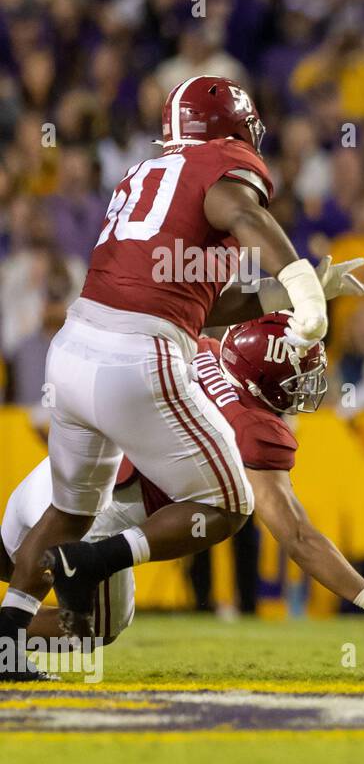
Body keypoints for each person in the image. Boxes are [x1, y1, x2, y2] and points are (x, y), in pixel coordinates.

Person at [0, 76, 331, 680]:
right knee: (228, 502)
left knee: (71, 510)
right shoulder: (219, 172)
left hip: (75, 348)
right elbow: (243, 212)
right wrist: (304, 284)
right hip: (138, 354)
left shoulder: (146, 175)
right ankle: (90, 561)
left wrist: (280, 290)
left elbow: (199, 299)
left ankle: (5, 638)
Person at [0, 313, 364, 651]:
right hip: (96, 518)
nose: (306, 390)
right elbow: (298, 536)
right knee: (93, 630)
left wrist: (305, 298)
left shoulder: (205, 348)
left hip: (54, 485)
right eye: (297, 380)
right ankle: (71, 581)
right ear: (265, 378)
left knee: (17, 573)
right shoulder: (254, 427)